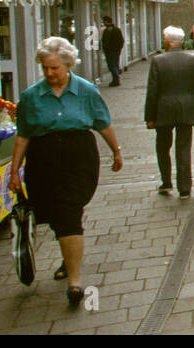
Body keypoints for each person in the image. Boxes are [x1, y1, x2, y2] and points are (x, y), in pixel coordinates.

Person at [9, 37, 123, 306]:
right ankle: (68, 254)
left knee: (69, 208)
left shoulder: (87, 91)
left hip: (78, 156)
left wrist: (116, 151)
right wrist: (14, 171)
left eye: (55, 69)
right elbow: (23, 136)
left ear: (68, 65)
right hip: (43, 159)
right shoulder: (30, 97)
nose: (49, 74)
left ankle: (74, 282)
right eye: (45, 68)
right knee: (53, 212)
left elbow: (102, 123)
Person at [145, 26, 194, 199]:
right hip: (186, 109)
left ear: (168, 41)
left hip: (163, 111)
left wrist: (149, 117)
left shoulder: (158, 61)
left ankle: (166, 182)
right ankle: (185, 188)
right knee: (183, 149)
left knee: (163, 147)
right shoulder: (193, 60)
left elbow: (152, 91)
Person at [100, 16, 124, 87]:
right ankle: (116, 79)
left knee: (111, 65)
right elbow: (122, 40)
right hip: (116, 50)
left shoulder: (108, 30)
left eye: (104, 21)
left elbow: (106, 42)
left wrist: (106, 49)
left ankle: (116, 80)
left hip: (110, 51)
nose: (103, 23)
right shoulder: (117, 29)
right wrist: (119, 48)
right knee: (115, 64)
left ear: (106, 21)